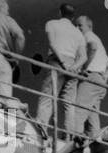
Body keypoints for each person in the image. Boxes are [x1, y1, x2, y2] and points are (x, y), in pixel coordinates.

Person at [35, 4, 86, 137]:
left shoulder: (51, 24)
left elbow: (52, 44)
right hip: (73, 66)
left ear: (59, 13)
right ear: (73, 17)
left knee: (48, 96)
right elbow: (83, 57)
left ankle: (42, 127)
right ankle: (69, 136)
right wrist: (73, 68)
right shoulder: (78, 33)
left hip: (57, 62)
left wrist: (62, 63)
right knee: (69, 104)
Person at [72, 15, 108, 143]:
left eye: (80, 25)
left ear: (89, 27)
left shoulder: (88, 36)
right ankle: (95, 142)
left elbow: (93, 47)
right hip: (99, 82)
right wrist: (104, 77)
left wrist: (84, 67)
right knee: (92, 115)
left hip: (90, 78)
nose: (77, 28)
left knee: (78, 109)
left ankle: (74, 139)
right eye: (76, 25)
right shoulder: (99, 42)